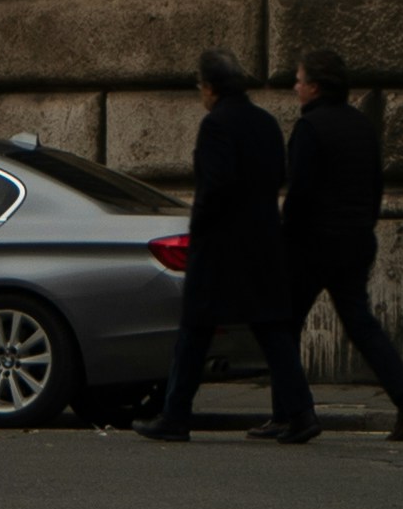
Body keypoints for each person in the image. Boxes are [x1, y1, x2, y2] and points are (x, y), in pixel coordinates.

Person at [135, 52, 315, 443]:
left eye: (201, 86)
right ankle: (301, 412)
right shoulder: (266, 123)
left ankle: (176, 414)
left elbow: (213, 187)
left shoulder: (216, 125)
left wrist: (198, 231)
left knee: (195, 330)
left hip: (220, 245)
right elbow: (279, 176)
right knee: (271, 330)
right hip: (264, 240)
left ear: (211, 88)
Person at [281, 56, 403, 442]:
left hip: (313, 243)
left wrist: (286, 239)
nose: (295, 87)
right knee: (361, 324)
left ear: (316, 86)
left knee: (282, 325)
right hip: (357, 239)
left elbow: (300, 194)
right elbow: (375, 187)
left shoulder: (310, 128)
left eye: (299, 81)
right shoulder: (363, 127)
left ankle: (295, 413)